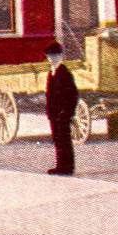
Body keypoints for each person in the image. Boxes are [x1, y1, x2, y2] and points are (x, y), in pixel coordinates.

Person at [44, 41, 80, 175]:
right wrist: (49, 111)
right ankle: (60, 165)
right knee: (58, 140)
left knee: (64, 140)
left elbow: (73, 94)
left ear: (60, 56)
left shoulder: (64, 73)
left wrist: (66, 112)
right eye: (50, 56)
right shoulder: (51, 73)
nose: (52, 58)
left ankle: (67, 167)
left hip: (63, 113)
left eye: (54, 56)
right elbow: (49, 94)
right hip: (54, 114)